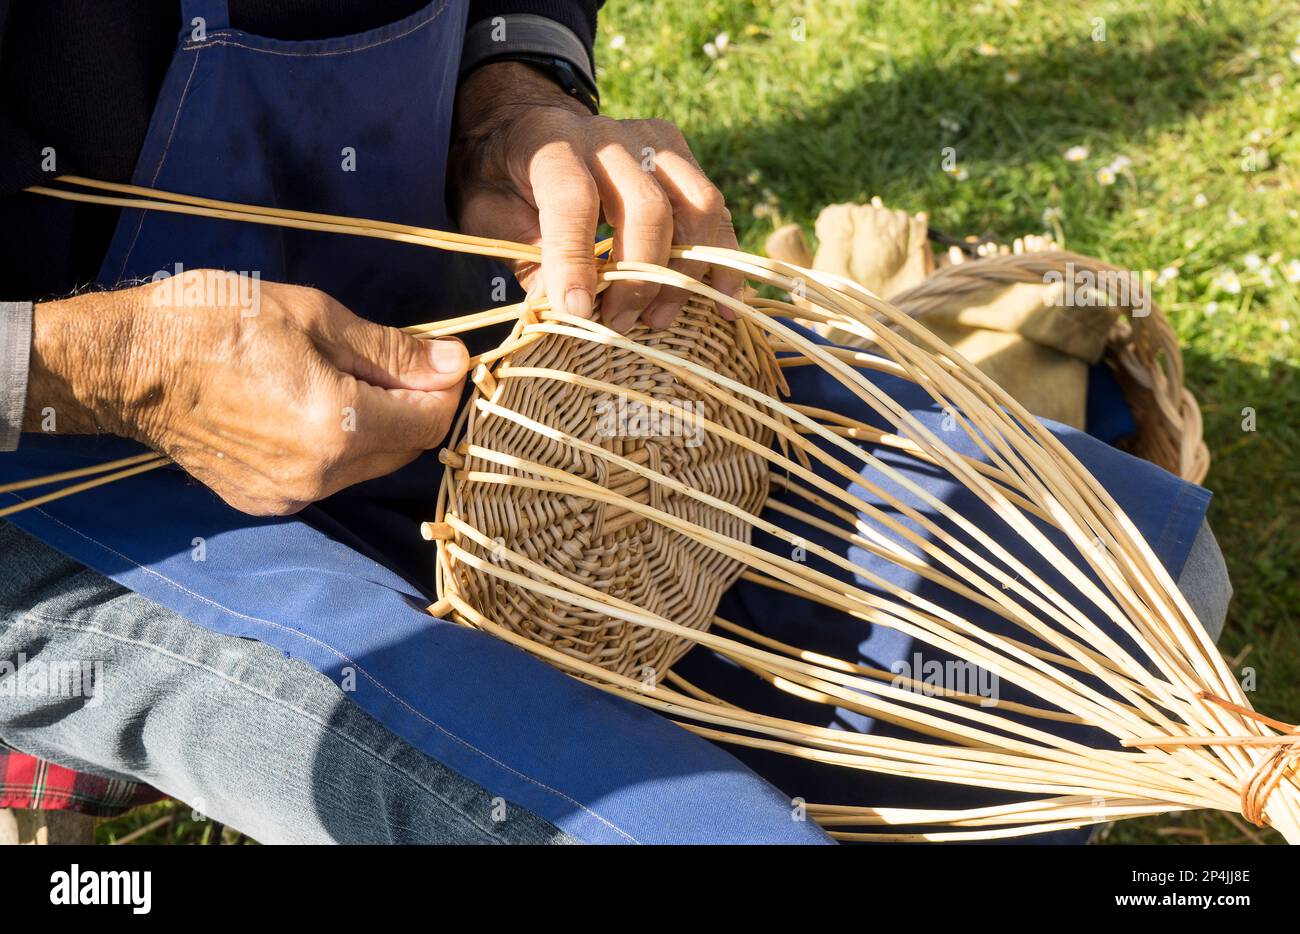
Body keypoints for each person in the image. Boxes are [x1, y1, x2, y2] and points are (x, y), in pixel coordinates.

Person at [0, 1, 1229, 844]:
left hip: (474, 336)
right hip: (57, 467)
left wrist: (514, 94)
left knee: (1137, 590)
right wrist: (103, 367)